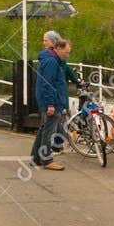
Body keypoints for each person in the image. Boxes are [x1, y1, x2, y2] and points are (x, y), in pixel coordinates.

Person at [31, 29, 67, 170]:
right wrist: (51, 104)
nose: (67, 55)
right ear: (57, 48)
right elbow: (48, 84)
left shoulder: (48, 59)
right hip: (52, 102)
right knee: (48, 131)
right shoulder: (52, 62)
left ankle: (35, 158)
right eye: (66, 52)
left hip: (49, 100)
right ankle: (47, 160)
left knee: (43, 129)